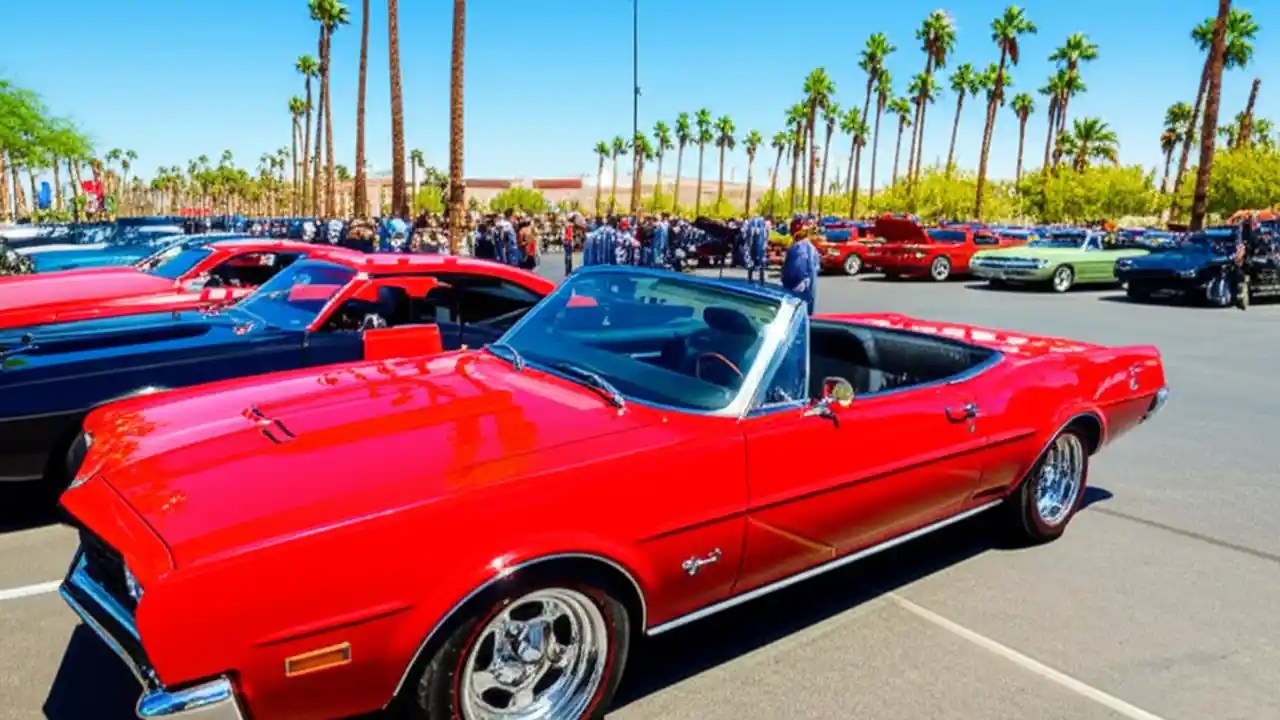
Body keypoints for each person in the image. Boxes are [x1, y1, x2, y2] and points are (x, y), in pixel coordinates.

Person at [781, 222, 821, 315]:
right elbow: (817, 267)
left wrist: (785, 280)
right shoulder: (812, 248)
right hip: (809, 285)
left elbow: (795, 271)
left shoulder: (798, 247)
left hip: (798, 286)